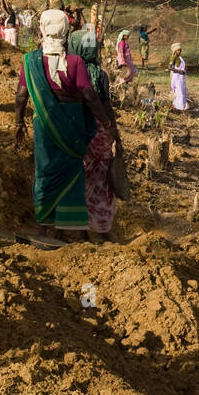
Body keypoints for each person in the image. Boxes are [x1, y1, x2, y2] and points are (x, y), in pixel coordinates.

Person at [14, 8, 119, 243]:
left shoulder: (30, 61)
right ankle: (64, 229)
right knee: (71, 172)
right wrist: (106, 124)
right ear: (67, 32)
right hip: (73, 125)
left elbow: (21, 96)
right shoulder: (74, 62)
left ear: (41, 29)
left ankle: (42, 229)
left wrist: (18, 122)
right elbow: (90, 96)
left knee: (45, 172)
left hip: (44, 124)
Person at [68, 20, 123, 242]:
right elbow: (107, 107)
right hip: (99, 134)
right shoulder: (100, 76)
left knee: (81, 179)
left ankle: (81, 230)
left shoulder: (70, 72)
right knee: (101, 182)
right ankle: (102, 230)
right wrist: (115, 134)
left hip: (77, 132)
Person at [168, 43, 189, 112]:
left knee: (182, 91)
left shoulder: (180, 58)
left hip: (181, 77)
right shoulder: (174, 57)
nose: (179, 51)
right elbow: (169, 67)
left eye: (180, 50)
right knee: (179, 92)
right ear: (174, 51)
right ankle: (179, 107)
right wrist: (179, 71)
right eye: (177, 50)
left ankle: (181, 106)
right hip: (177, 77)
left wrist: (183, 71)